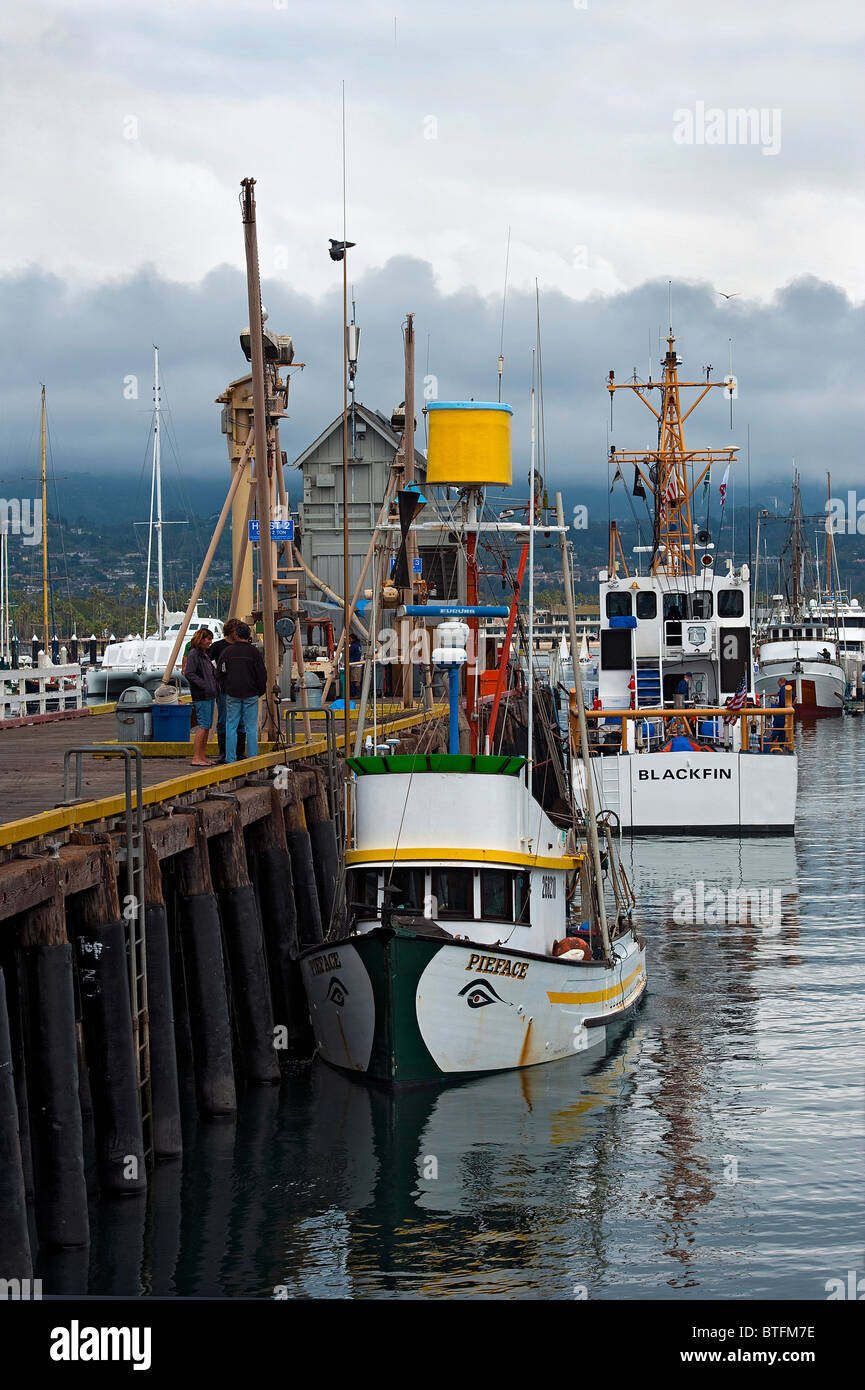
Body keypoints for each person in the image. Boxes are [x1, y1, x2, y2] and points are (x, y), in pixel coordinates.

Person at [217, 621, 267, 762]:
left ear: (235, 634)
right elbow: (262, 674)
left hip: (232, 694)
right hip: (251, 694)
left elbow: (220, 673)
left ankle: (230, 758)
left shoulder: (228, 652)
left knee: (231, 726)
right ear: (248, 635)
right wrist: (259, 691)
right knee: (251, 727)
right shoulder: (254, 652)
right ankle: (252, 758)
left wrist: (226, 688)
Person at [210, 618, 244, 762]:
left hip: (240, 688)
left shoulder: (241, 645)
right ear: (231, 632)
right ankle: (223, 752)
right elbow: (206, 661)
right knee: (223, 720)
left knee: (241, 721)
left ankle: (240, 752)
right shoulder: (218, 646)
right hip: (224, 689)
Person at [183, 628, 217, 767]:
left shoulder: (203, 654)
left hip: (208, 694)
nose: (210, 642)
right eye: (208, 639)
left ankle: (202, 756)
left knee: (207, 725)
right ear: (201, 639)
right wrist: (205, 685)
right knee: (203, 725)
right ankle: (196, 757)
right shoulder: (194, 654)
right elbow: (189, 673)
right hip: (201, 694)